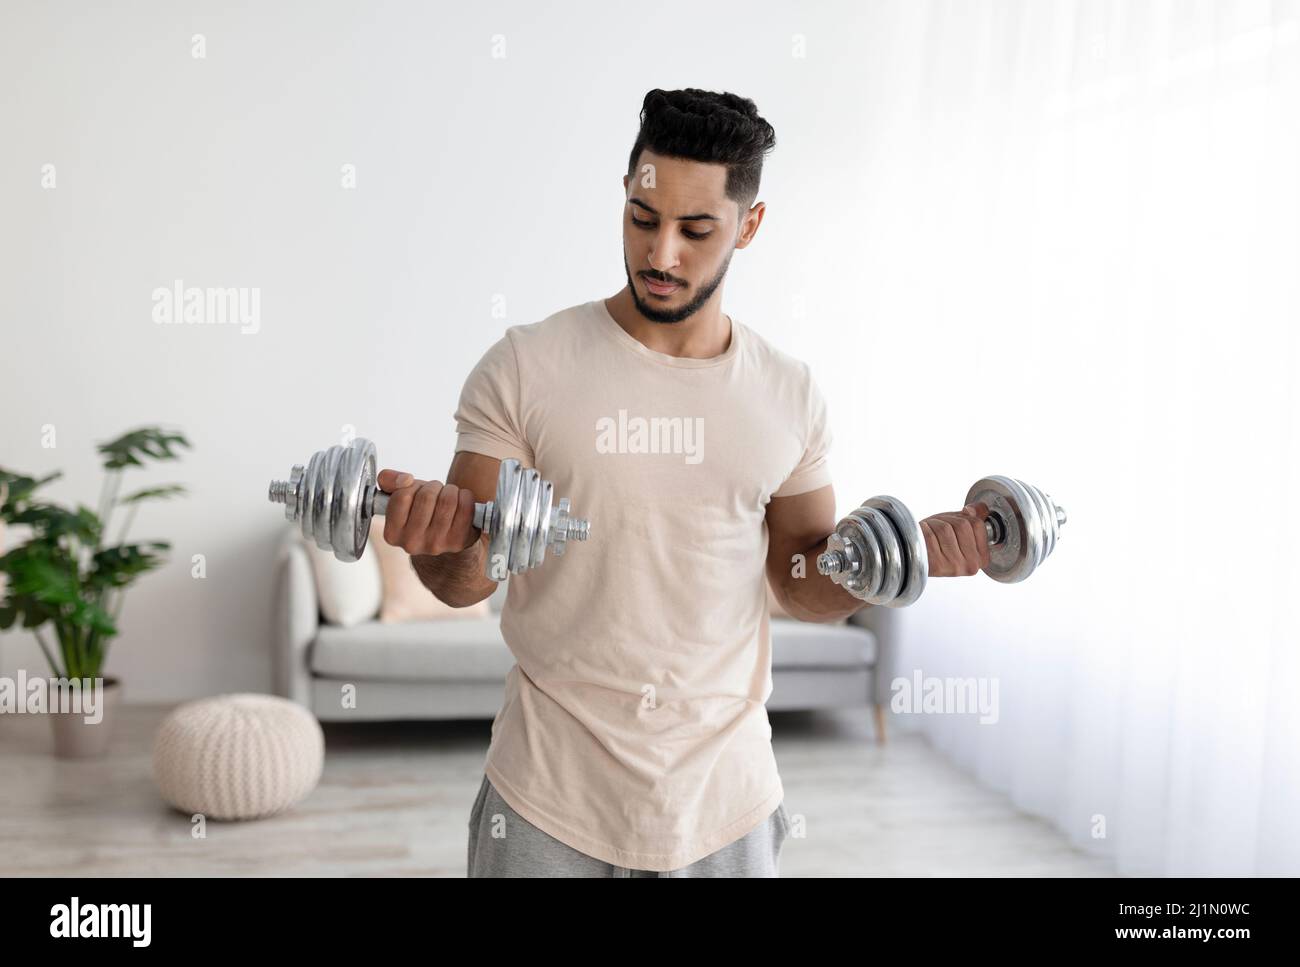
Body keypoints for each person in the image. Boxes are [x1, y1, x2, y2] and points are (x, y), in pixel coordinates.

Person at [378, 88, 990, 877]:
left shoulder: (788, 393)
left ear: (750, 225)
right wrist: (438, 539)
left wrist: (889, 564)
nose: (661, 253)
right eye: (642, 217)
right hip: (546, 795)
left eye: (696, 230)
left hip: (723, 800)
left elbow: (800, 579)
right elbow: (460, 578)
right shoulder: (525, 366)